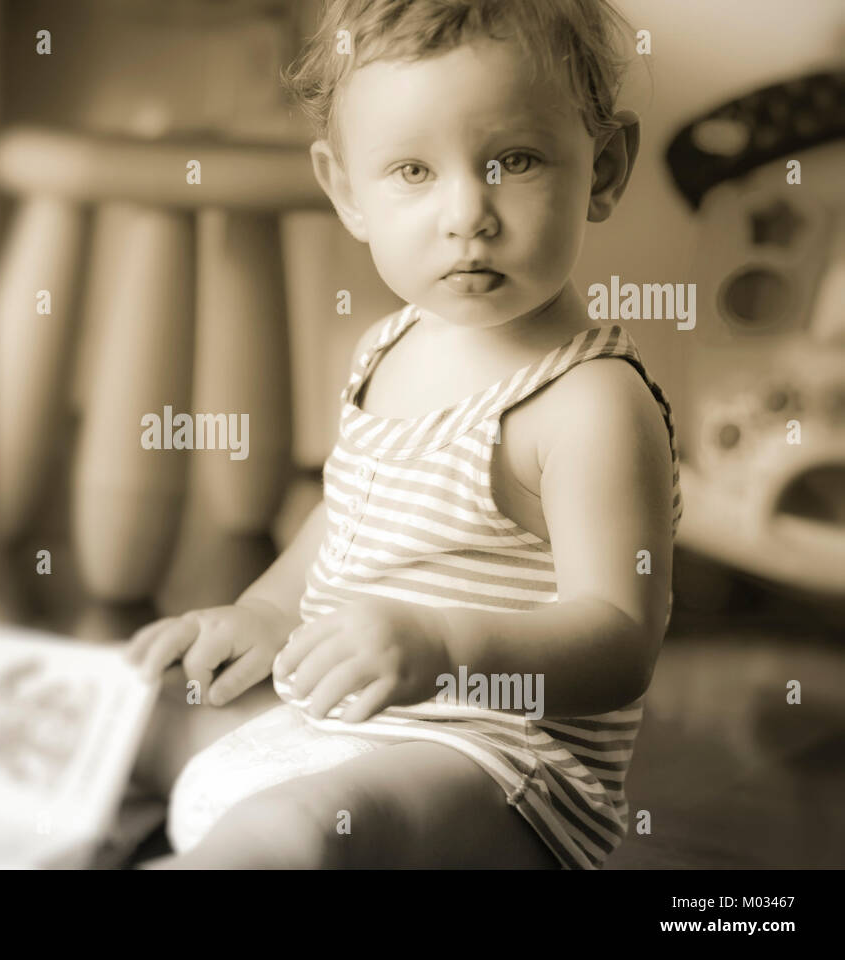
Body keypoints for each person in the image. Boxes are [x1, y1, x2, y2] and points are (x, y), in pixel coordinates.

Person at [127, 0, 682, 870]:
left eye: (516, 160)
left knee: (302, 829)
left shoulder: (591, 405)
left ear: (604, 168)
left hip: (498, 768)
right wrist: (263, 613)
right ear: (347, 190)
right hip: (342, 718)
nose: (468, 213)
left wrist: (445, 652)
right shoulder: (387, 343)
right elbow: (344, 516)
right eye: (414, 171)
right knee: (114, 720)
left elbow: (617, 641)